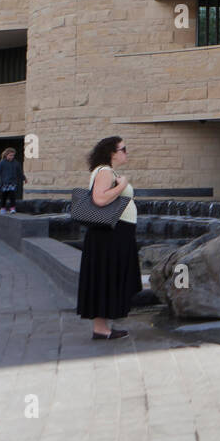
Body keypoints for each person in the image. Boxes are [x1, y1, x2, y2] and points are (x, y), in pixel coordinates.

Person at [76, 136, 141, 341]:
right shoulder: (105, 171)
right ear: (112, 153)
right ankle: (101, 329)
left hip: (114, 233)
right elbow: (100, 199)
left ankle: (102, 328)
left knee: (106, 277)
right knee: (105, 277)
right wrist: (122, 185)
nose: (126, 153)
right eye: (123, 149)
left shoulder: (107, 171)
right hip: (111, 233)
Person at [0, 147, 26, 214]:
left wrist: (24, 178)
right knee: (4, 196)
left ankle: (12, 208)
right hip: (4, 182)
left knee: (12, 195)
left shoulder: (16, 163)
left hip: (12, 182)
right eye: (10, 155)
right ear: (6, 155)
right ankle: (3, 208)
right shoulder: (2, 163)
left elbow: (20, 172)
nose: (12, 157)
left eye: (13, 155)